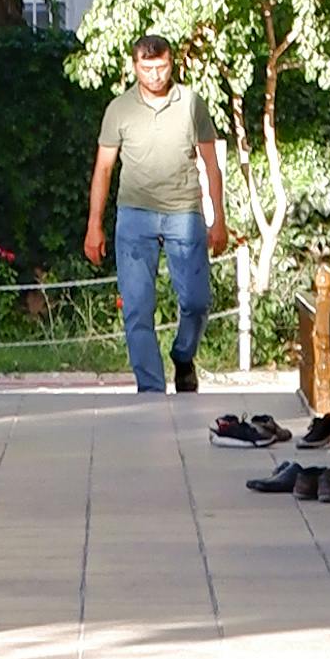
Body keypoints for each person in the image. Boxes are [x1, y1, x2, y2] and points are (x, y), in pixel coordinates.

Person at [83, 31, 229, 396]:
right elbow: (103, 169)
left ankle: (183, 356)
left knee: (196, 301)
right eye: (147, 68)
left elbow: (211, 165)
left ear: (171, 63)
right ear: (135, 66)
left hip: (184, 212)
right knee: (137, 307)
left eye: (161, 67)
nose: (155, 76)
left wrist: (219, 219)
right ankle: (150, 390)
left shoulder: (191, 103)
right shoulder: (119, 109)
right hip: (135, 214)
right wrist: (94, 225)